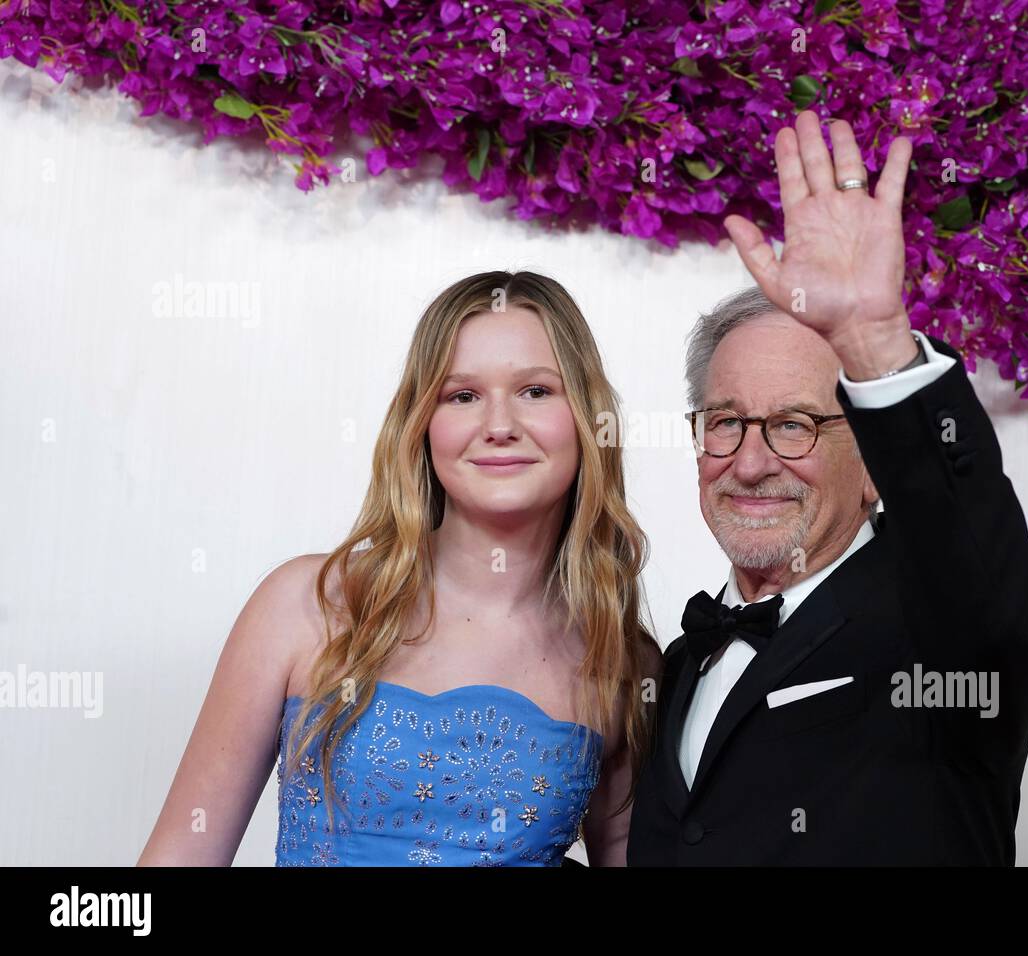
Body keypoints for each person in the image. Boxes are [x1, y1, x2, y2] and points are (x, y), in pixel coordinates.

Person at [627, 110, 1028, 865]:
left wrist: (872, 347)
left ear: (872, 463)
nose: (752, 463)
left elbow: (979, 577)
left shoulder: (940, 638)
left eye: (794, 425)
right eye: (726, 422)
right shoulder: (678, 661)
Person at [139, 271, 661, 866]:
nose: (498, 425)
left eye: (536, 391)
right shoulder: (307, 603)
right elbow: (181, 855)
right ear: (422, 426)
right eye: (462, 395)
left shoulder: (622, 661)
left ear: (589, 420)